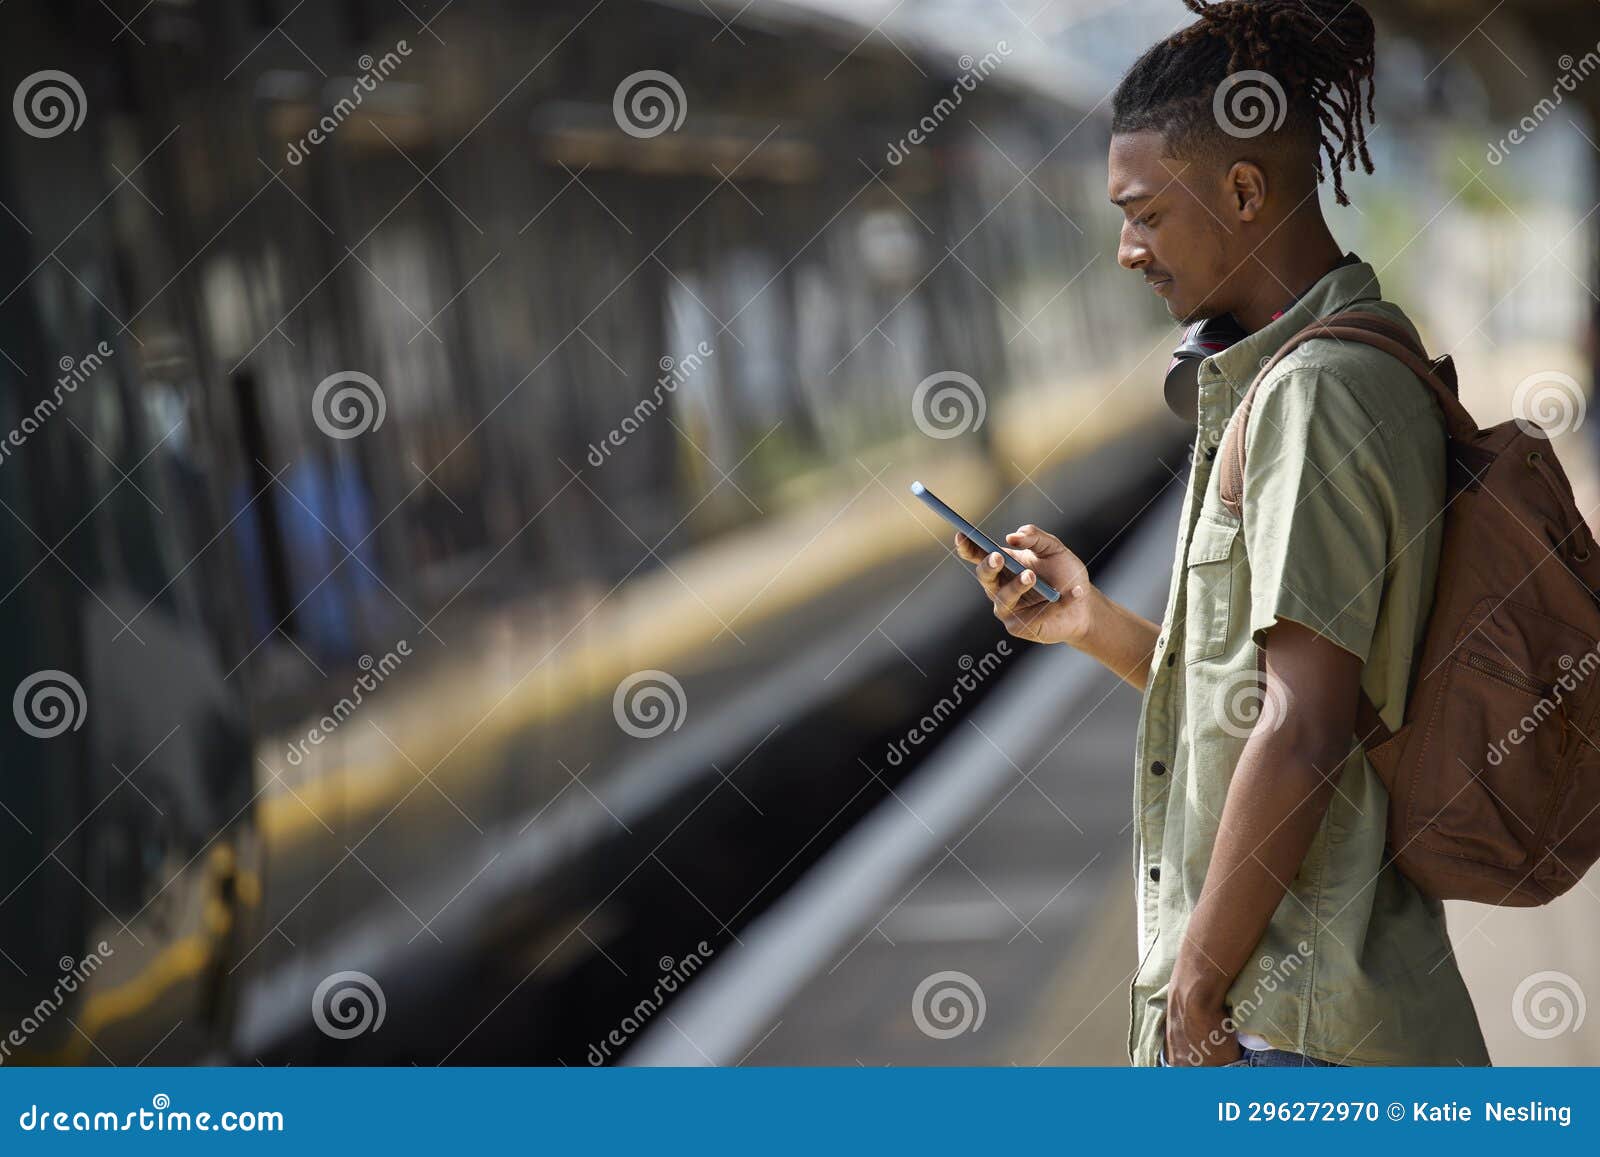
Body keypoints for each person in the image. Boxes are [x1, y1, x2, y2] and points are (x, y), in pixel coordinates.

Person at [956, 0, 1490, 1067]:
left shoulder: (1316, 396)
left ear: (1243, 190)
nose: (1125, 250)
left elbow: (1301, 727)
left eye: (1145, 213)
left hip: (1291, 1037)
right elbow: (1259, 693)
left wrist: (1195, 990)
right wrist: (1093, 623)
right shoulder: (1314, 373)